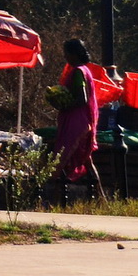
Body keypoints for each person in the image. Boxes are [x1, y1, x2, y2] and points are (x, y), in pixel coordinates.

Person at [52, 38, 102, 202]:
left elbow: (82, 98)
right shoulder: (85, 70)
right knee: (87, 160)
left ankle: (53, 196)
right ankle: (101, 198)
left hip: (77, 122)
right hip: (82, 121)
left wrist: (63, 103)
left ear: (73, 54)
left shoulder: (79, 72)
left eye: (66, 53)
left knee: (61, 156)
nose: (65, 56)